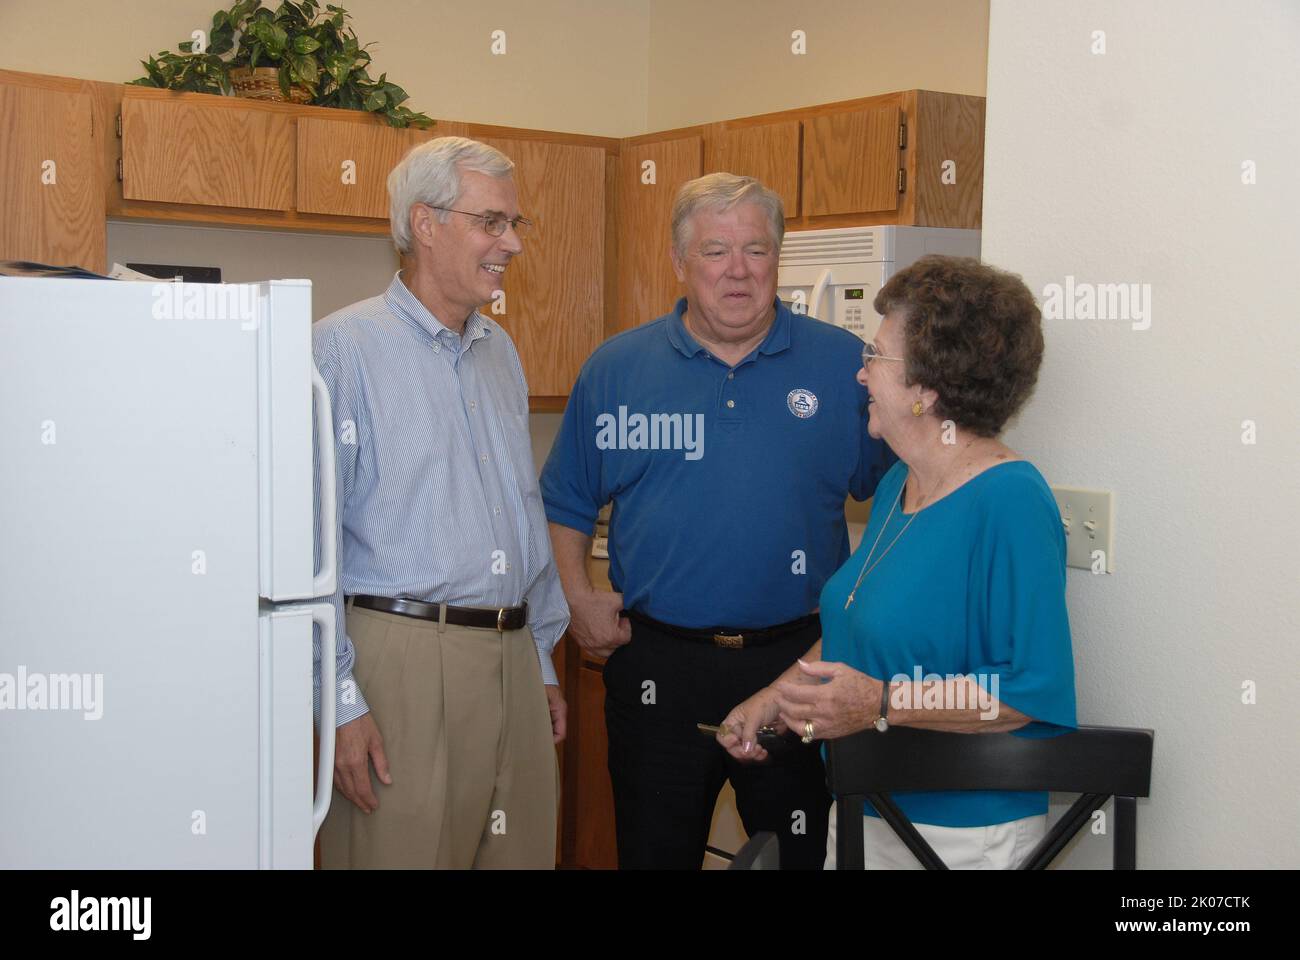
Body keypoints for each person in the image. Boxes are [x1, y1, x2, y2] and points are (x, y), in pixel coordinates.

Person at [540, 173, 893, 869]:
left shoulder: (847, 369)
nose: (738, 271)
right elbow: (565, 500)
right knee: (654, 854)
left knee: (798, 856)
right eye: (715, 251)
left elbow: (903, 498)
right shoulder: (617, 369)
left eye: (756, 250)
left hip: (798, 668)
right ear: (679, 262)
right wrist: (576, 596)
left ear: (778, 259)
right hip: (656, 668)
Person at [718, 254, 1077, 870]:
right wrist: (777, 696)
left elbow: (1026, 692)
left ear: (927, 388)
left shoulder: (1009, 500)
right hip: (866, 808)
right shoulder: (898, 486)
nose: (861, 376)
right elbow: (854, 632)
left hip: (962, 835)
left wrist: (884, 703)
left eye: (875, 356)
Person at [312, 136, 569, 869]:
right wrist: (340, 706)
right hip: (401, 664)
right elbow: (306, 549)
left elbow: (521, 512)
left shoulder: (501, 352)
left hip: (512, 657)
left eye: (514, 223)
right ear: (425, 224)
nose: (511, 243)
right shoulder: (341, 350)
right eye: (491, 222)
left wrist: (542, 660)